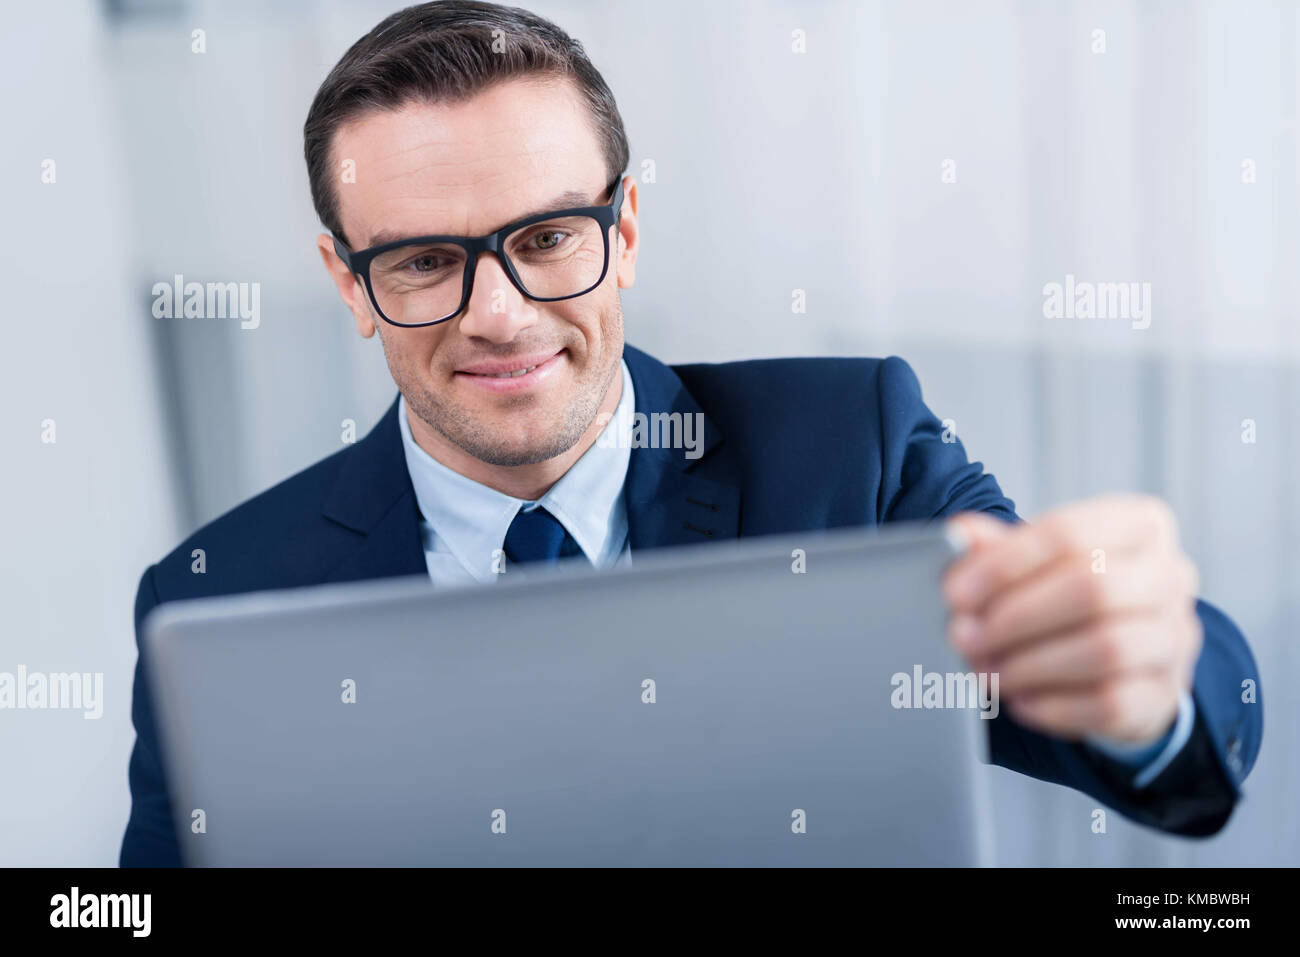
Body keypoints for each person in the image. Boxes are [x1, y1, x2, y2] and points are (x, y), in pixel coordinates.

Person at [120, 0, 1262, 866]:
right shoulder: (216, 596)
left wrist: (1147, 684)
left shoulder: (844, 453)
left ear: (623, 226)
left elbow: (1164, 736)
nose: (499, 312)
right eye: (422, 261)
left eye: (549, 236)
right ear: (348, 282)